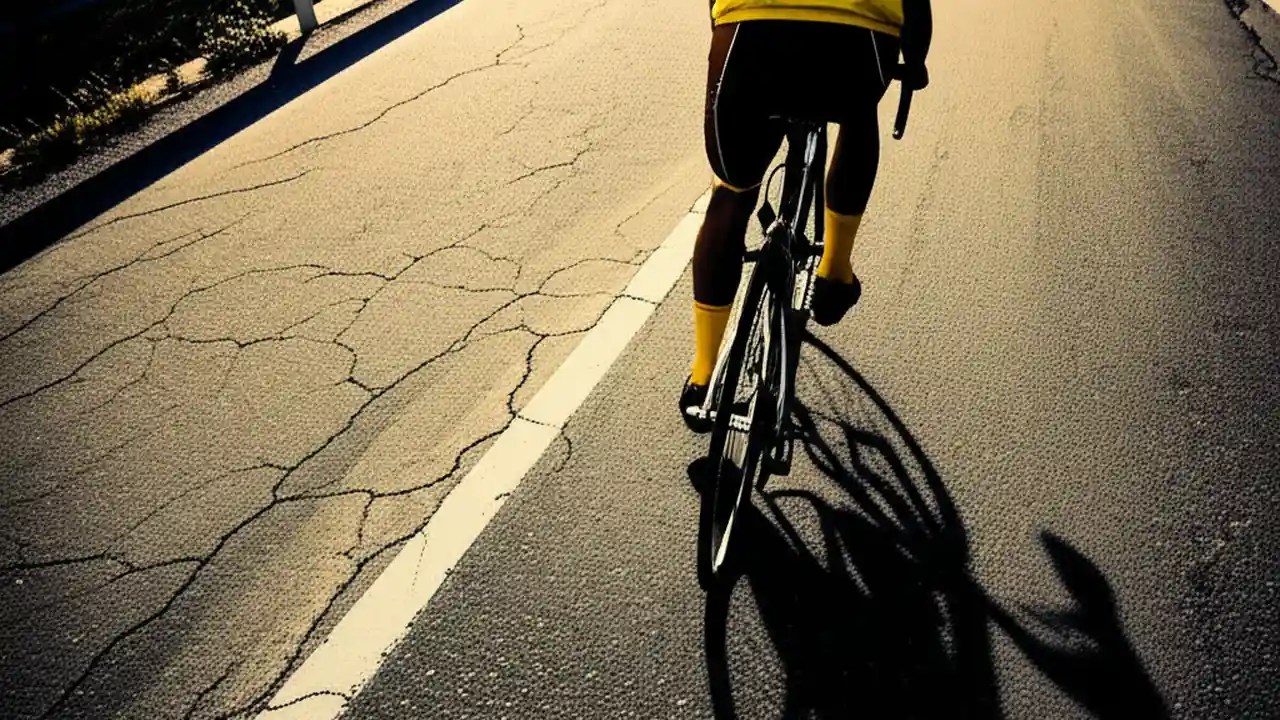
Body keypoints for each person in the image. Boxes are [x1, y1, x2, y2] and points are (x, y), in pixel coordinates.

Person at [681, 0, 930, 432]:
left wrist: (721, 22)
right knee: (857, 116)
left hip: (750, 32)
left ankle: (704, 377)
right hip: (856, 40)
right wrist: (917, 58)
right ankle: (834, 273)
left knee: (732, 194)